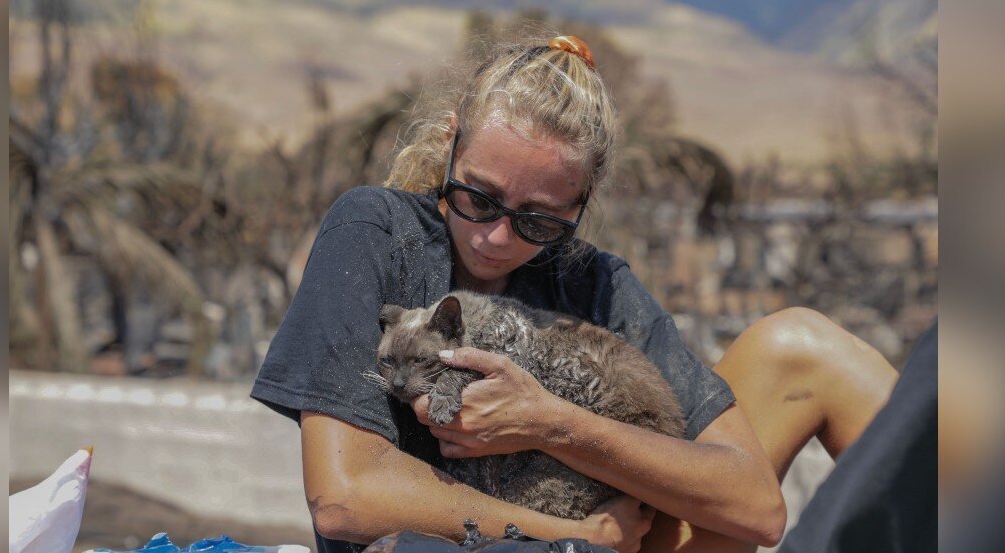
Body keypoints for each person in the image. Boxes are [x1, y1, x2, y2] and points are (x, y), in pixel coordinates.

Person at [250, 35, 898, 553]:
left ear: (582, 201)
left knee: (803, 350)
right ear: (450, 145)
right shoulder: (378, 232)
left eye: (538, 220)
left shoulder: (594, 281)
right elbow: (346, 497)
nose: (497, 237)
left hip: (606, 536)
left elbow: (756, 509)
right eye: (478, 197)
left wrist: (554, 424)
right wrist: (575, 537)